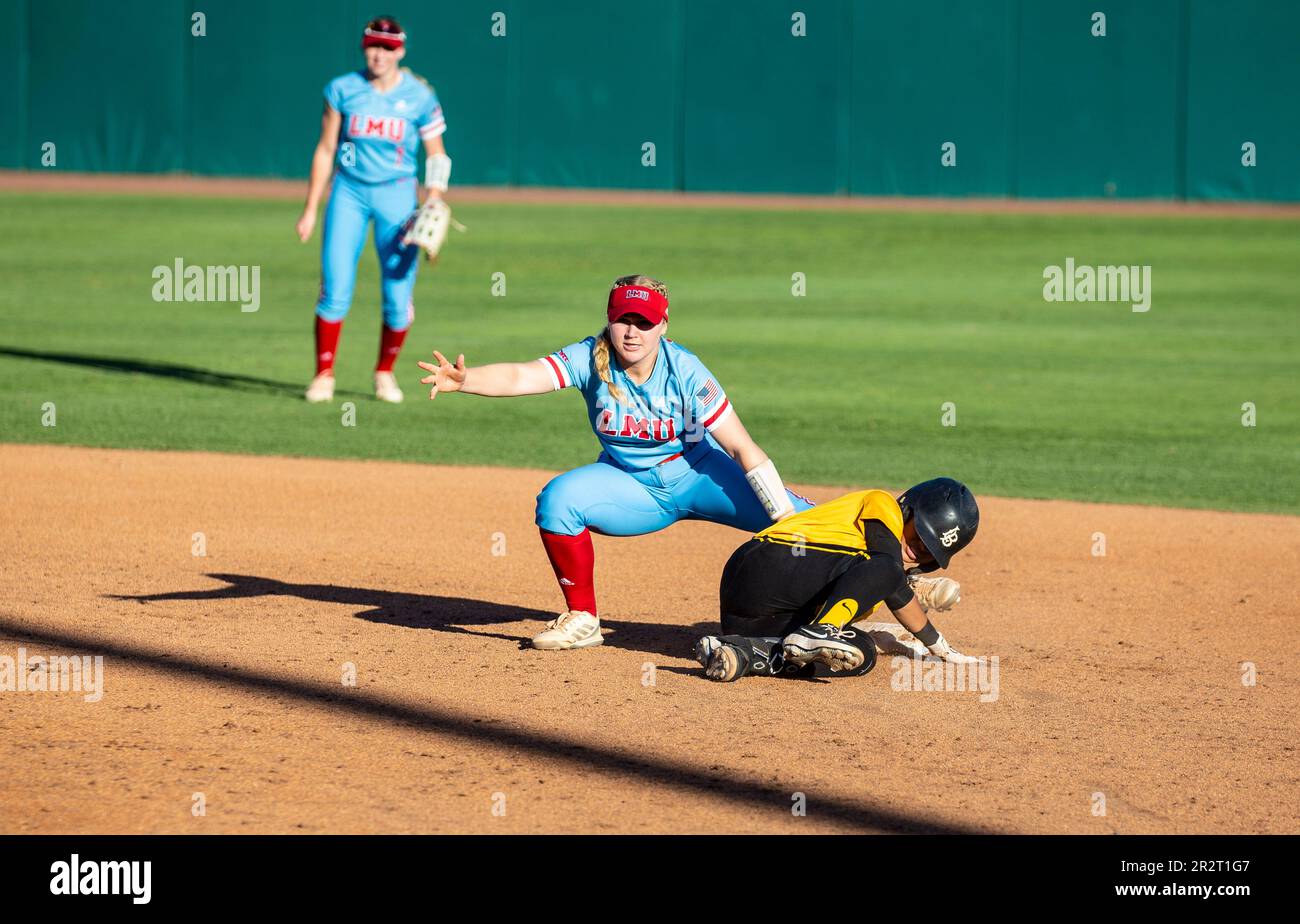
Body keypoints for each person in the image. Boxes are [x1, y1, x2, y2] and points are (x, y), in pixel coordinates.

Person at [418, 274, 814, 649]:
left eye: (644, 322)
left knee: (816, 529)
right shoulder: (589, 356)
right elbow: (524, 376)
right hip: (632, 486)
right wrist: (465, 381)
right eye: (623, 319)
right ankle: (583, 618)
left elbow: (742, 447)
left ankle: (844, 617)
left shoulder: (685, 370)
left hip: (700, 473)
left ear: (662, 325)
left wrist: (784, 516)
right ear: (609, 320)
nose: (632, 331)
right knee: (559, 501)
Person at [295, 16, 451, 404]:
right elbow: (326, 149)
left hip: (397, 196)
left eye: (386, 47)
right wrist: (311, 207)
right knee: (334, 286)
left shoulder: (420, 96)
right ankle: (323, 374)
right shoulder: (343, 89)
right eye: (372, 45)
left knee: (398, 295)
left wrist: (433, 196)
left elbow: (437, 155)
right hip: (347, 193)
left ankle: (384, 372)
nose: (378, 53)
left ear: (400, 50)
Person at [693, 477, 980, 682]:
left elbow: (890, 578)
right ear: (908, 510)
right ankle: (820, 631)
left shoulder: (870, 576)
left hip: (750, 621)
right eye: (918, 534)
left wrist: (939, 648)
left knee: (860, 654)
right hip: (761, 564)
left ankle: (742, 653)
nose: (916, 549)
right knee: (888, 570)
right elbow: (890, 571)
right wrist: (937, 642)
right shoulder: (882, 504)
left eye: (928, 551)